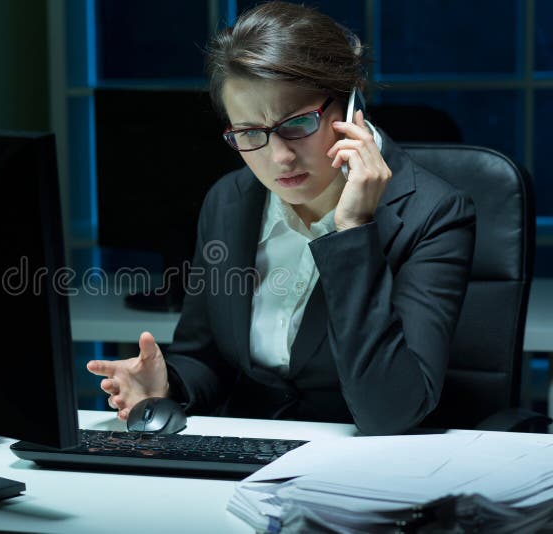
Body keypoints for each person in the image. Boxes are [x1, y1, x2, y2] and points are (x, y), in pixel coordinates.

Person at [87, 1, 475, 435]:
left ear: (350, 105)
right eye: (250, 132)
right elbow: (207, 358)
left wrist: (353, 232)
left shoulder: (433, 214)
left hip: (370, 468)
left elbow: (391, 412)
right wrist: (169, 382)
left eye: (297, 123)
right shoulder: (229, 200)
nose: (280, 157)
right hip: (250, 466)